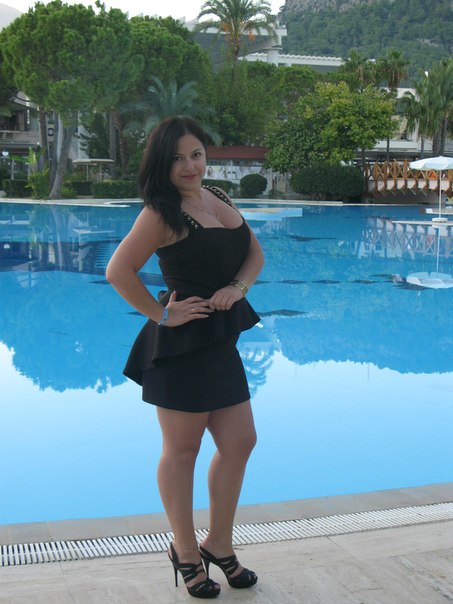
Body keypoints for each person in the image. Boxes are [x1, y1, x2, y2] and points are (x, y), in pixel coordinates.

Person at [106, 116, 264, 599]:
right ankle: (186, 550)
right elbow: (118, 270)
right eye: (177, 158)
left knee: (240, 442)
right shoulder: (160, 213)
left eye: (196, 154)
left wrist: (237, 288)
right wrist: (162, 314)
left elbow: (254, 254)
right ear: (162, 163)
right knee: (182, 451)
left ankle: (219, 542)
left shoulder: (219, 197)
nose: (189, 165)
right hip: (181, 348)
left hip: (219, 341)